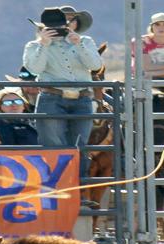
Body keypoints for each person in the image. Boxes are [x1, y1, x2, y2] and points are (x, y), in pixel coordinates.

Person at [24, 6, 104, 153]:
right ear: (44, 29)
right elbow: (34, 69)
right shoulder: (33, 46)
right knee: (52, 146)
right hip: (51, 98)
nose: (57, 30)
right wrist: (44, 45)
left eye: (60, 27)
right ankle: (58, 176)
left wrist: (78, 44)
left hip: (83, 98)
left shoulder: (84, 41)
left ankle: (79, 176)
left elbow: (95, 65)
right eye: (52, 28)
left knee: (80, 148)